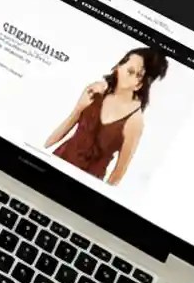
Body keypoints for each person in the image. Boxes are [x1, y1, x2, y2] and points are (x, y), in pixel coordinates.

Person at [45, 47, 169, 185]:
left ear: (141, 84)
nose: (134, 79)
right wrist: (41, 150)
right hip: (58, 162)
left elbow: (118, 173)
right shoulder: (96, 90)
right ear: (118, 67)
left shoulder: (135, 121)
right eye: (130, 71)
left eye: (139, 76)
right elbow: (70, 121)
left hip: (85, 184)